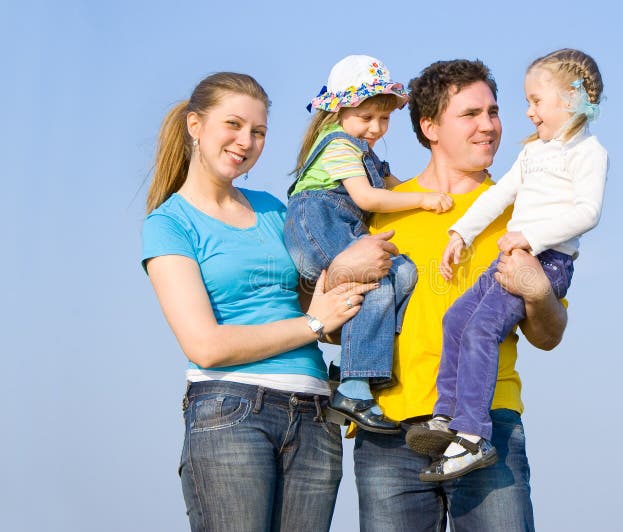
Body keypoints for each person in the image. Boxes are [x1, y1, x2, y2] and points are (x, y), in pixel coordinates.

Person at [140, 72, 394, 531]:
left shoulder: (276, 209)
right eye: (233, 125)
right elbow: (206, 346)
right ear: (195, 126)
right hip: (231, 411)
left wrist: (347, 274)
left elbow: (323, 310)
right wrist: (313, 325)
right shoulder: (168, 224)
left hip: (315, 414)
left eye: (258, 132)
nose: (246, 141)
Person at [346, 60, 569, 531]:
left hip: (488, 424)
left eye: (493, 111)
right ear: (429, 127)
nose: (488, 125)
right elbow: (338, 321)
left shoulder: (527, 213)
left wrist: (537, 291)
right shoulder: (382, 211)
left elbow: (549, 335)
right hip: (390, 427)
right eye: (470, 114)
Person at [415, 48, 608, 481]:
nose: (529, 112)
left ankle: (474, 434)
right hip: (513, 255)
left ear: (571, 99)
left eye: (536, 101)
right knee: (456, 318)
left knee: (483, 328)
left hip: (547, 260)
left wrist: (530, 238)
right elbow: (498, 196)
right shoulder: (533, 152)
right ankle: (447, 416)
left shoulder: (589, 152)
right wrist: (460, 233)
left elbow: (588, 213)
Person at [284, 55, 454, 433]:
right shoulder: (338, 145)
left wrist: (444, 193)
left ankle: (351, 366)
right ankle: (354, 386)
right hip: (317, 224)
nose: (376, 127)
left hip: (338, 227)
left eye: (384, 117)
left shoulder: (368, 154)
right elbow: (367, 199)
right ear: (340, 111)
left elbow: (395, 186)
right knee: (375, 282)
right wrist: (424, 201)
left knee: (404, 272)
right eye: (366, 117)